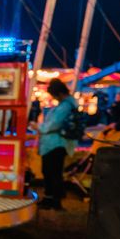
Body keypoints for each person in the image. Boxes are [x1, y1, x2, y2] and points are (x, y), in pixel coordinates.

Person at [36, 78, 77, 210]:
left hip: (55, 143)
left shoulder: (64, 106)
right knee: (54, 172)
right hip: (60, 143)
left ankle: (53, 200)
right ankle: (53, 199)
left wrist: (39, 127)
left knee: (51, 172)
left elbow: (54, 124)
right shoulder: (70, 104)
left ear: (58, 93)